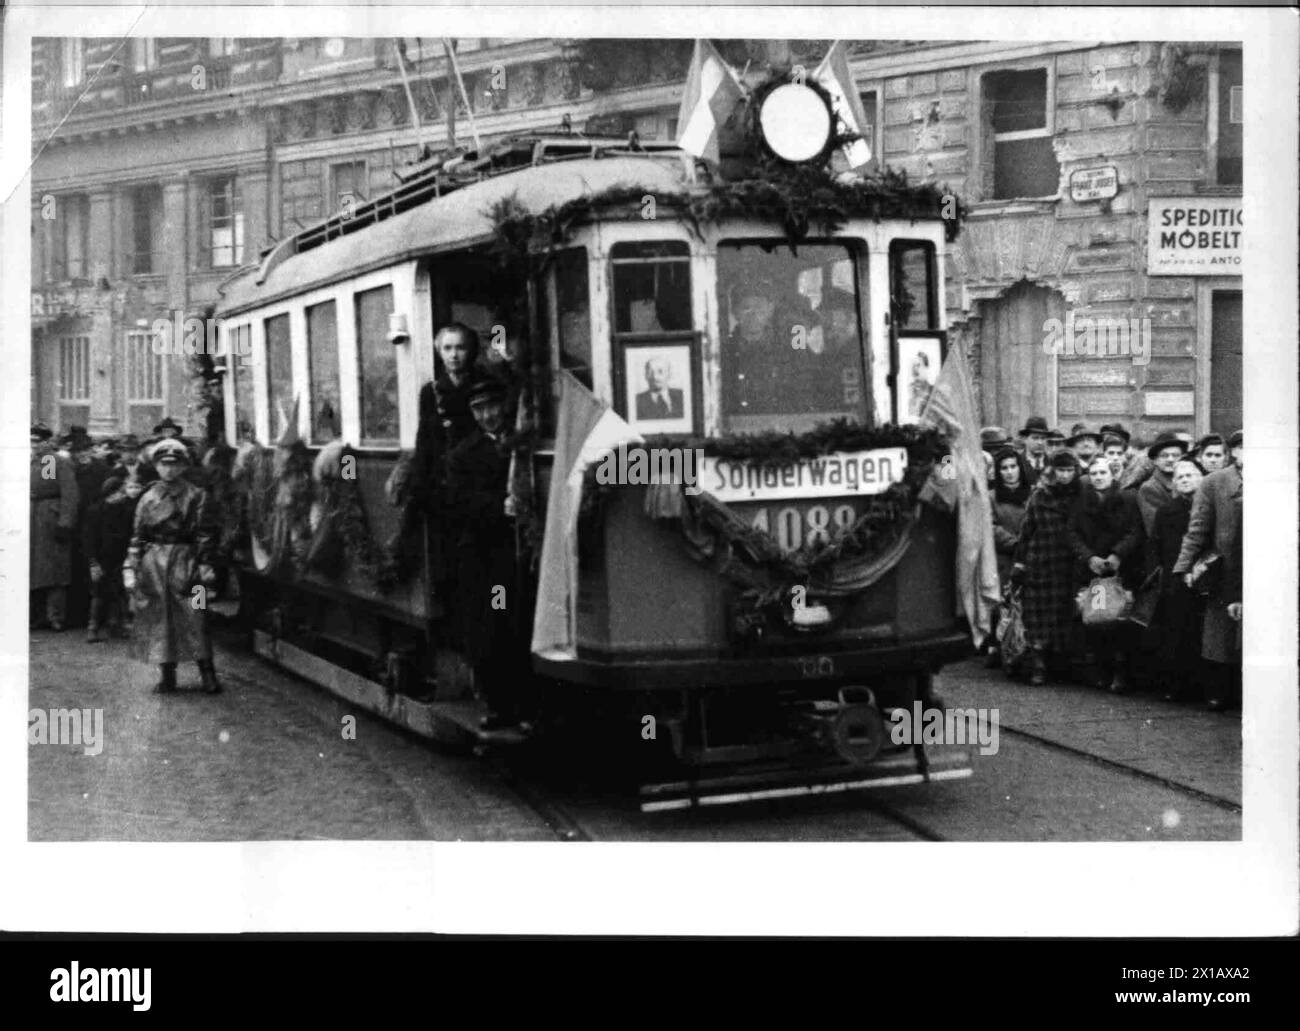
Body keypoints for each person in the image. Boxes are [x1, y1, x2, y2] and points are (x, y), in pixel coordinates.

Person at [445, 377, 529, 731]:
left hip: (517, 554)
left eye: (493, 407)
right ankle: (499, 706)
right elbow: (459, 503)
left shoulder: (521, 444)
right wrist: (500, 506)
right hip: (486, 559)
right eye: (480, 410)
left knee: (519, 626)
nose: (488, 415)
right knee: (493, 627)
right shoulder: (462, 455)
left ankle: (527, 707)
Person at [124, 438, 221, 694]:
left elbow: (206, 534)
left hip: (187, 561)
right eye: (163, 465)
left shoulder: (196, 495)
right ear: (156, 467)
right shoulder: (147, 498)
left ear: (183, 467)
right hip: (154, 565)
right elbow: (138, 535)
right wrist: (131, 565)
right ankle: (168, 675)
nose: (168, 470)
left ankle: (208, 674)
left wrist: (205, 566)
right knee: (160, 620)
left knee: (197, 616)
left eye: (174, 465)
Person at [1173, 431, 1243, 712]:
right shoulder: (1215, 482)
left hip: (1263, 566)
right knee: (1221, 634)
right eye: (1240, 447)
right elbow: (1197, 527)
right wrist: (1184, 565)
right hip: (1224, 566)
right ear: (1232, 453)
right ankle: (1220, 691)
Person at [1069, 457, 1144, 693]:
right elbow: (1071, 533)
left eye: (1103, 472)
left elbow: (1135, 531)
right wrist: (1089, 557)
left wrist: (1117, 555)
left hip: (1120, 570)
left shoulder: (1127, 500)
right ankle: (1099, 670)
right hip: (1090, 571)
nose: (1098, 477)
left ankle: (1120, 671)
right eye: (1093, 473)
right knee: (1093, 619)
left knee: (1119, 620)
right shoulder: (1081, 502)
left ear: (1112, 475)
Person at [1011, 450, 1083, 686]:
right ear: (1053, 471)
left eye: (1069, 470)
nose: (1064, 475)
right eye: (1060, 470)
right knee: (1039, 615)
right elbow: (1026, 531)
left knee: (1064, 613)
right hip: (1041, 561)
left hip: (1069, 563)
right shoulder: (1040, 496)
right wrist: (1020, 564)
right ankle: (1038, 665)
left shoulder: (1081, 495)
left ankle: (1061, 664)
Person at [1144, 458, 1207, 702]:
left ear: (1201, 478)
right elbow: (1156, 545)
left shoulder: (1208, 506)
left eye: (1190, 475)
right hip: (1175, 579)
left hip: (1205, 575)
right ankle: (1176, 686)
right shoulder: (1167, 511)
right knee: (1176, 633)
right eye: (1179, 477)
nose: (1185, 480)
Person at [82, 473, 144, 642]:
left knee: (120, 593)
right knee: (99, 594)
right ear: (112, 493)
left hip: (120, 557)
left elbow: (132, 534)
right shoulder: (95, 511)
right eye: (121, 492)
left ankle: (119, 625)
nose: (123, 495)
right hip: (101, 559)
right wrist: (93, 563)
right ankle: (93, 628)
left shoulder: (126, 511)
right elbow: (88, 539)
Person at [30, 423, 80, 631]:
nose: (33, 445)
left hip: (50, 518)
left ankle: (55, 616)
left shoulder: (51, 461)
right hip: (32, 519)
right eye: (31, 441)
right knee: (33, 570)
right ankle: (37, 616)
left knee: (54, 571)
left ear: (48, 442)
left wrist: (65, 523)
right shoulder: (31, 461)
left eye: (37, 441)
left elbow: (70, 493)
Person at [989, 447, 1032, 669]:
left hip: (1029, 555)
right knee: (1003, 603)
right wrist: (1013, 542)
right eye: (1004, 468)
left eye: (1013, 467)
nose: (1009, 472)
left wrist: (1026, 543)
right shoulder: (993, 497)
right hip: (1005, 556)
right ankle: (1000, 646)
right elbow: (990, 525)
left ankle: (1024, 647)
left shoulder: (1033, 493)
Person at [1136, 431, 1189, 537]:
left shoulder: (1190, 481)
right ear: (1155, 460)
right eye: (1164, 456)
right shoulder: (1149, 488)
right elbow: (1156, 529)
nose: (1170, 459)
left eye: (1175, 455)